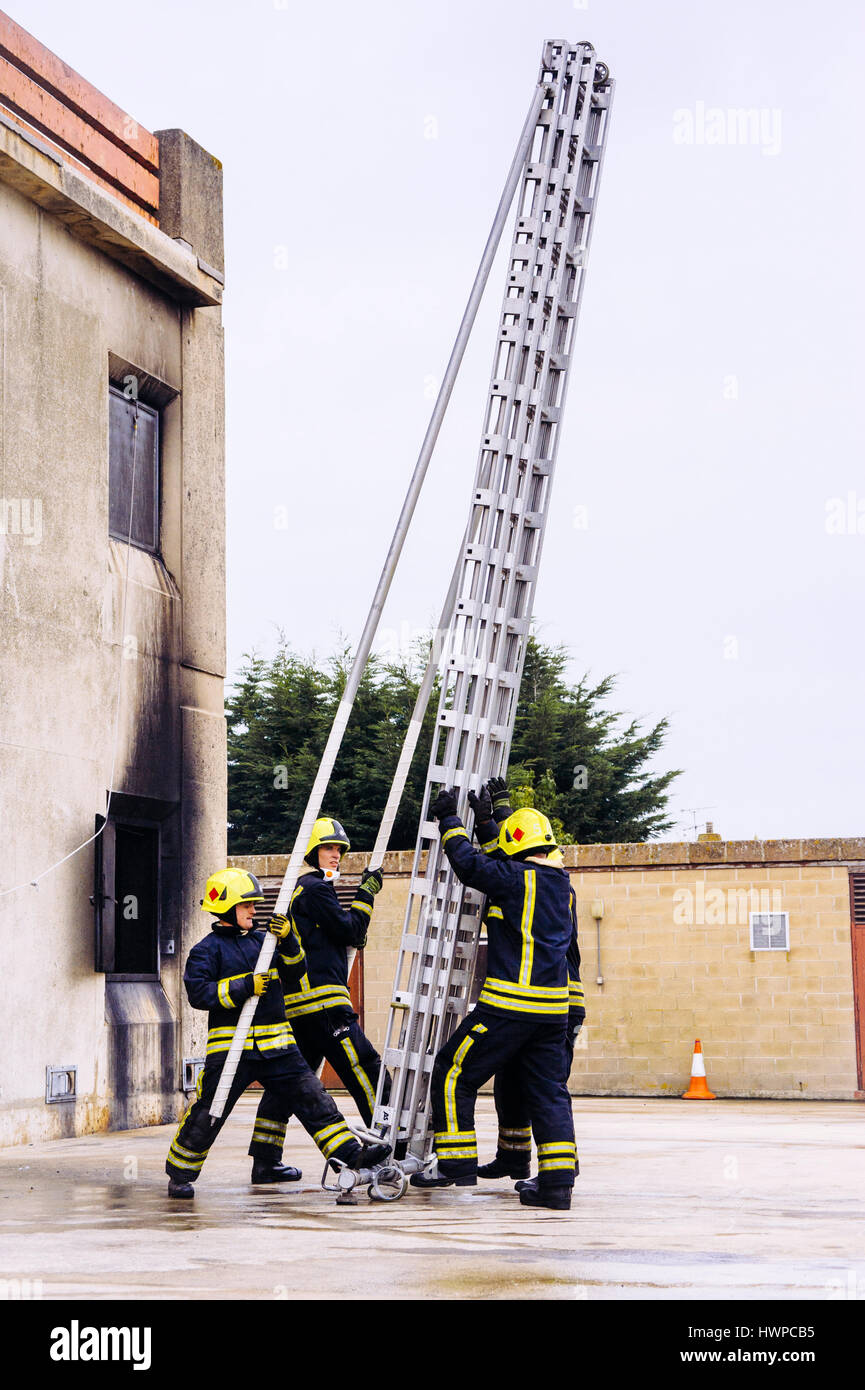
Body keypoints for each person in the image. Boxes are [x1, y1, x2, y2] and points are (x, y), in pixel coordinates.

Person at [164, 867, 390, 1199]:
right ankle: (180, 1173)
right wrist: (244, 986)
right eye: (247, 906)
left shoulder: (263, 941)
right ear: (227, 908)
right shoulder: (206, 950)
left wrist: (288, 940)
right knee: (210, 1111)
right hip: (232, 1051)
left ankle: (349, 1156)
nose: (255, 911)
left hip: (280, 1048)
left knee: (316, 1099)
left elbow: (297, 971)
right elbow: (200, 994)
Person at [410, 790, 577, 1210]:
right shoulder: (563, 886)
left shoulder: (517, 878)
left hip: (508, 1008)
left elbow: (472, 866)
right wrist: (489, 826)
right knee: (549, 1092)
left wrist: (450, 819)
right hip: (552, 1013)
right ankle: (557, 1186)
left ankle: (455, 1163)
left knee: (452, 1071)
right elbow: (500, 863)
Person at [250, 818, 393, 1167]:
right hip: (325, 1005)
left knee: (288, 1086)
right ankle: (394, 1145)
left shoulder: (302, 890)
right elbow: (349, 929)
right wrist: (366, 895)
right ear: (313, 851)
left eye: (340, 850)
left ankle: (266, 1160)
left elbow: (338, 935)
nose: (336, 855)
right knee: (365, 1069)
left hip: (301, 1009)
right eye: (329, 848)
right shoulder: (315, 888)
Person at [466, 780, 585, 1188]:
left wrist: (492, 819)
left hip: (558, 1002)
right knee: (513, 1083)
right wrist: (493, 818)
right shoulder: (546, 875)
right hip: (548, 1001)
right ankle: (514, 1159)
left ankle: (561, 1168)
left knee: (544, 1088)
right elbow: (513, 855)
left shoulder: (551, 885)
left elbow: (509, 865)